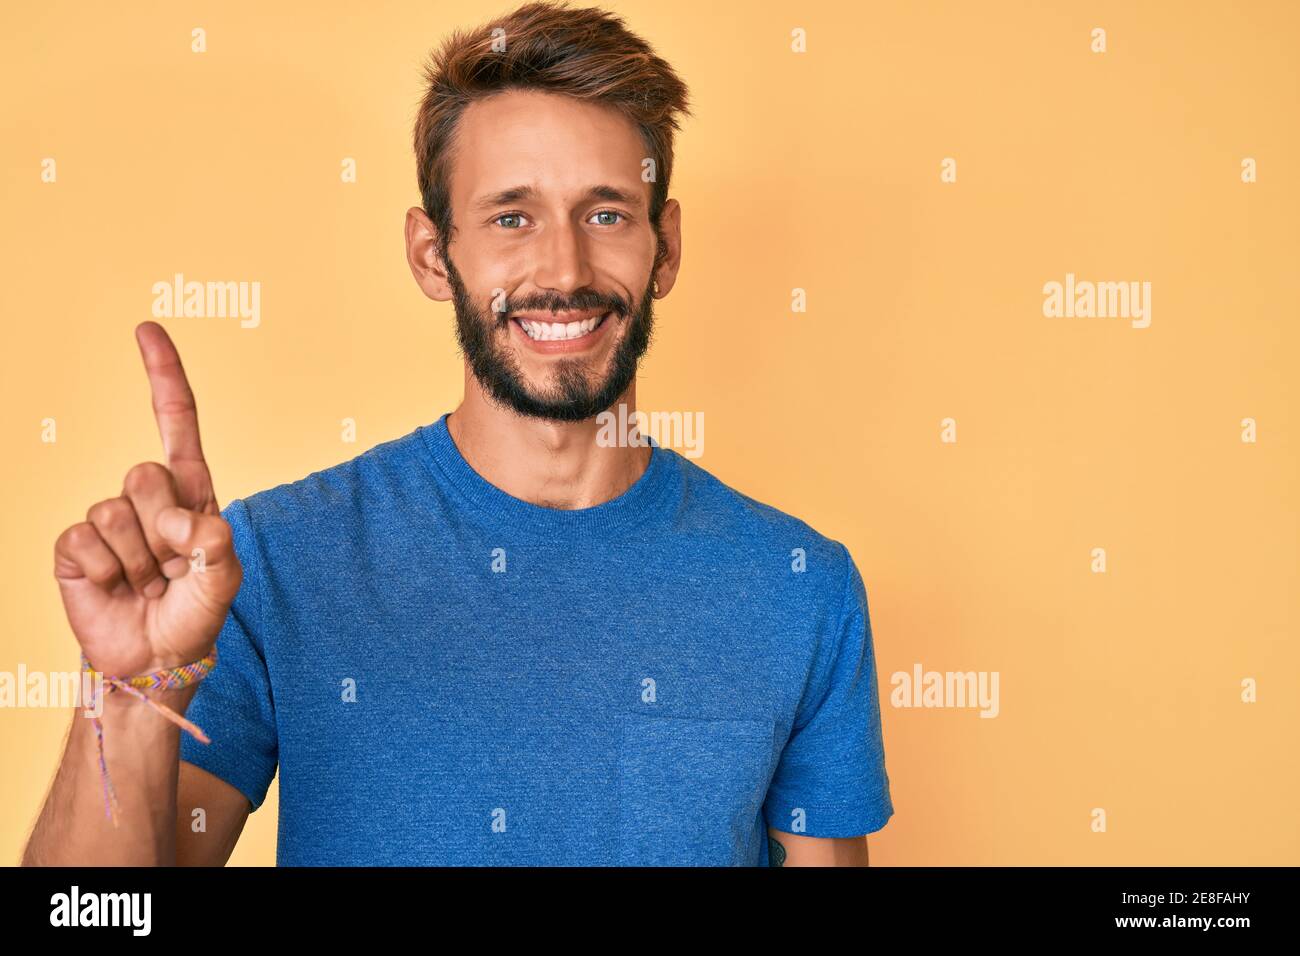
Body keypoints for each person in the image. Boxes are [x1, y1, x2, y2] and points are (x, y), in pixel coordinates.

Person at [23, 0, 892, 867]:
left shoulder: (797, 587)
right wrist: (131, 699)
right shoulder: (272, 564)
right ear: (433, 255)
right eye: (512, 217)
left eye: (607, 213)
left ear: (664, 249)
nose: (564, 270)